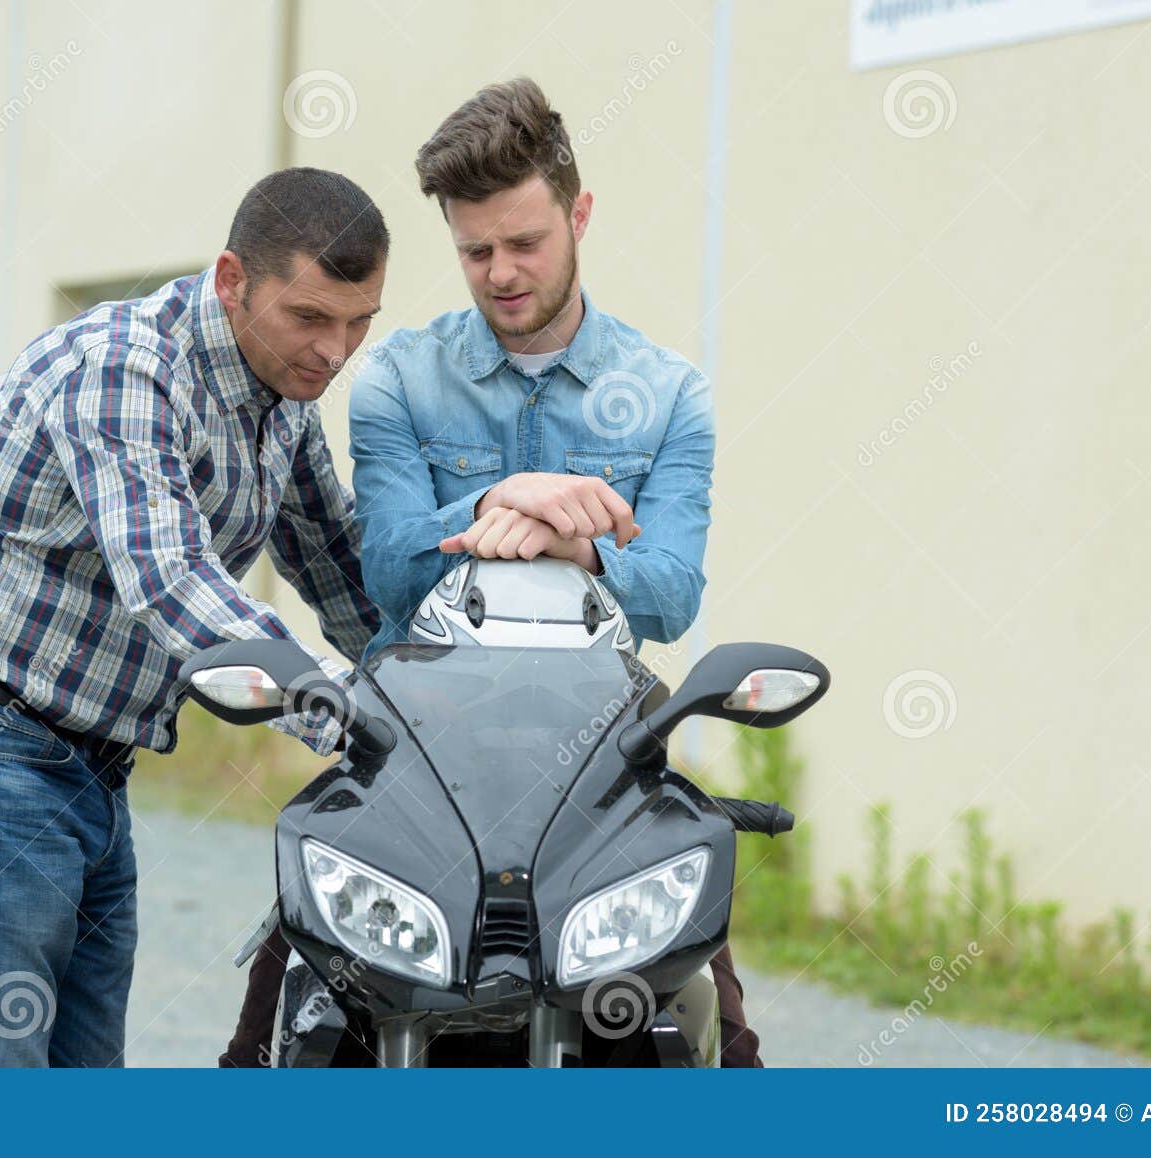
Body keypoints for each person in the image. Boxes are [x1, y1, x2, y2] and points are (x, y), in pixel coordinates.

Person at [221, 80, 762, 1067]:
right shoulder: (394, 379)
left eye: (525, 244)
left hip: (600, 775)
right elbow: (385, 572)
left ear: (578, 214)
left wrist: (571, 540)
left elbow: (674, 587)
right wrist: (495, 499)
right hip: (410, 767)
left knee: (717, 1031)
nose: (502, 273)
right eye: (476, 251)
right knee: (278, 1026)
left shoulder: (670, 395)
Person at [0, 167, 388, 1067]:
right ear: (232, 280)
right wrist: (351, 712)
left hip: (92, 769)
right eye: (310, 318)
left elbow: (341, 565)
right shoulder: (123, 365)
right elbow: (171, 578)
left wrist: (444, 685)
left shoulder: (280, 402)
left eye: (358, 323)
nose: (334, 352)